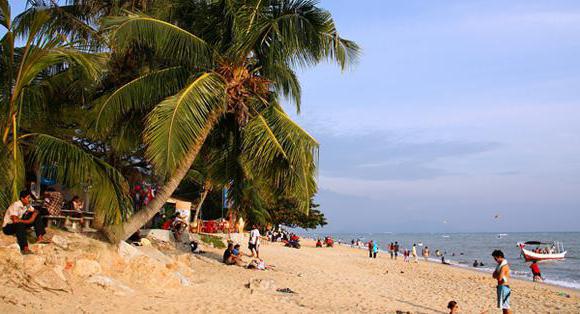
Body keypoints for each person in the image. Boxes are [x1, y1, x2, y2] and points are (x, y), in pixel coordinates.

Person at [492, 250, 512, 314]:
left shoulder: (503, 266)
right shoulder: (499, 266)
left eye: (495, 258)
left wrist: (497, 274)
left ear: (500, 257)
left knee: (506, 307)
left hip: (504, 287)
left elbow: (499, 278)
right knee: (503, 307)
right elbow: (493, 275)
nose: (495, 260)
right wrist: (498, 274)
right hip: (501, 287)